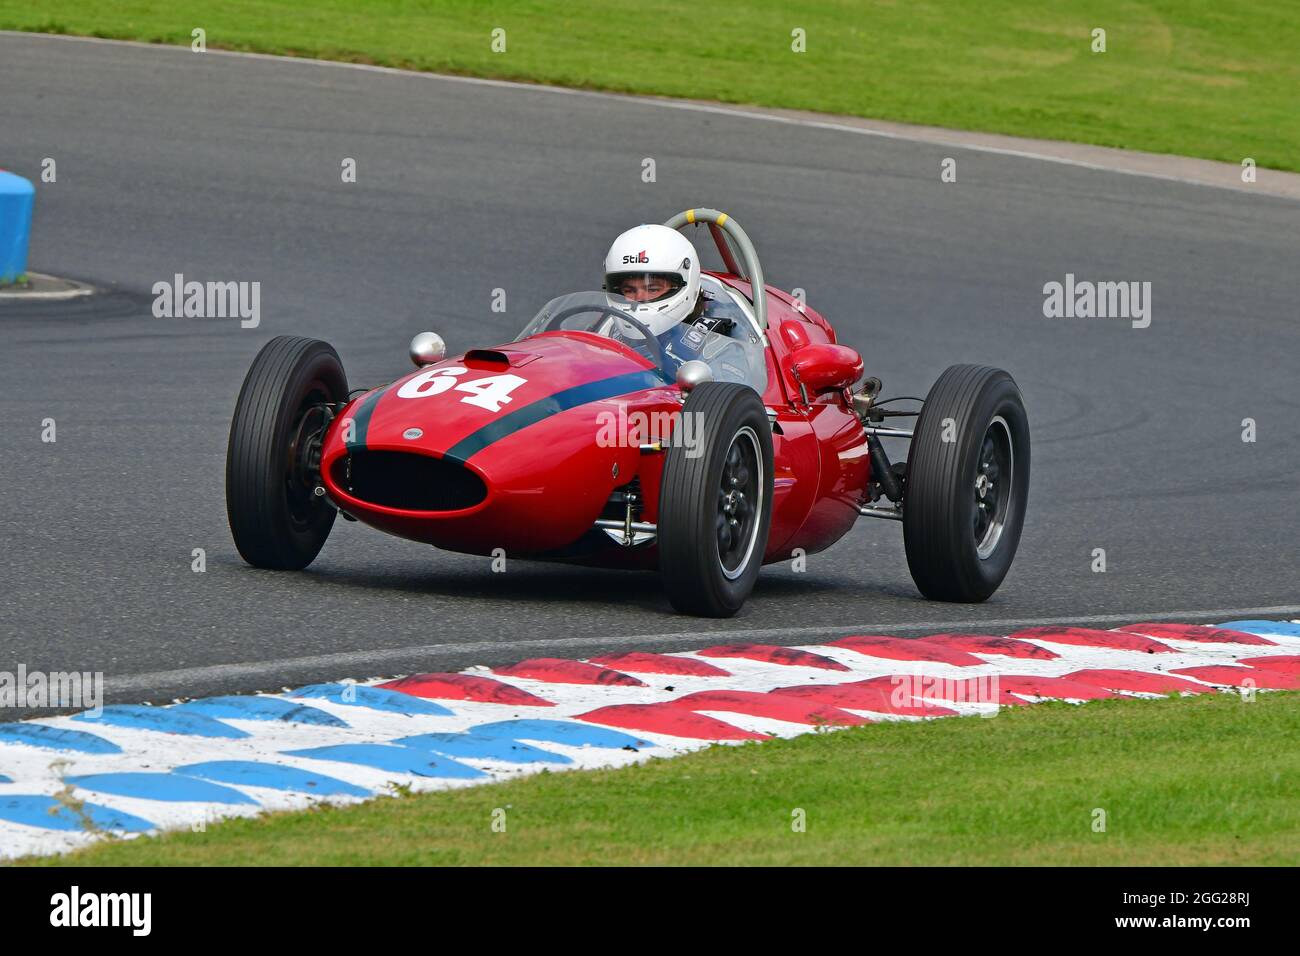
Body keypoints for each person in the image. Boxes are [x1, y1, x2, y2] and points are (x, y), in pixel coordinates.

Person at [602, 224, 753, 384]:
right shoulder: (607, 330)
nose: (639, 298)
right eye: (629, 290)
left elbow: (728, 405)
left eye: (652, 289)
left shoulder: (718, 348)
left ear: (684, 284)